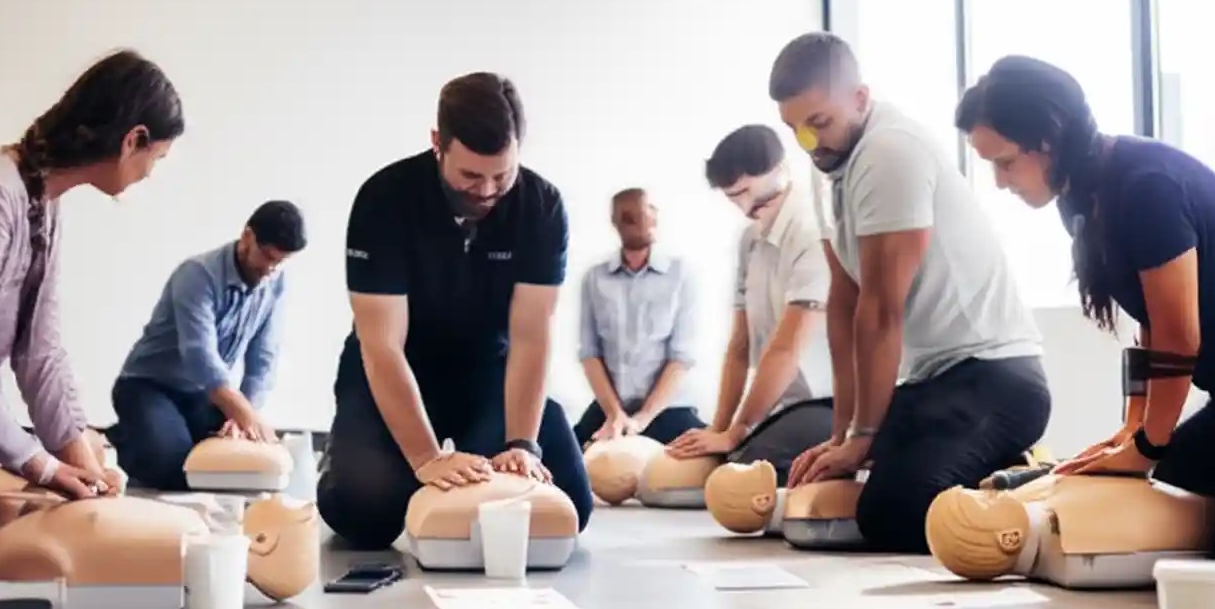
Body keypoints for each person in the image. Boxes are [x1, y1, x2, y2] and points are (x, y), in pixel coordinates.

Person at [771, 32, 1052, 553]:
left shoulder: (889, 152)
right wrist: (844, 434)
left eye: (819, 124)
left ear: (859, 99)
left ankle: (1031, 482)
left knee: (892, 512)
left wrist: (861, 440)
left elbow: (880, 312)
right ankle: (987, 468)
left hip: (997, 379)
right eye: (796, 130)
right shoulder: (828, 162)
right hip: (933, 385)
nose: (810, 143)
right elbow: (845, 301)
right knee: (804, 470)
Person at [957, 54, 1215, 559]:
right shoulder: (1082, 198)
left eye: (1005, 162)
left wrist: (1149, 443)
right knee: (1173, 480)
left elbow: (1179, 335)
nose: (1000, 182)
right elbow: (1150, 325)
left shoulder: (1144, 186)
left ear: (1049, 139)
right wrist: (1133, 430)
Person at [317, 72, 592, 549]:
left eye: (501, 176)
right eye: (470, 176)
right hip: (397, 363)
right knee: (365, 514)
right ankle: (346, 461)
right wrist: (426, 458)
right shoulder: (384, 199)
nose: (486, 191)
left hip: (487, 370)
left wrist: (521, 444)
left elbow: (531, 335)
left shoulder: (541, 207)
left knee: (564, 505)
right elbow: (381, 345)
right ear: (436, 144)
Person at [0, 49, 183, 499]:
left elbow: (39, 350)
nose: (150, 174)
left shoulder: (43, 199)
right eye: (156, 157)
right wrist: (43, 466)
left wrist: (83, 461)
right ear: (132, 140)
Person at [665, 125, 836, 485]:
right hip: (778, 407)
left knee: (738, 474)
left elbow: (786, 349)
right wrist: (719, 427)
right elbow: (740, 347)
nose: (744, 207)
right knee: (720, 462)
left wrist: (737, 431)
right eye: (732, 197)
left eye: (746, 191)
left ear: (779, 169)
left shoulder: (812, 231)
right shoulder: (750, 241)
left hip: (827, 403)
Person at [107, 201, 306, 490]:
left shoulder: (275, 282)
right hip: (147, 386)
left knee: (225, 463)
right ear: (247, 236)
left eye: (280, 262)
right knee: (174, 466)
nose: (270, 269)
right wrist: (242, 413)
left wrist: (244, 413)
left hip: (202, 396)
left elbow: (264, 358)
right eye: (267, 256)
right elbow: (199, 355)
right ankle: (117, 439)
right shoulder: (197, 274)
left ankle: (158, 433)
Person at [571, 188, 707, 446]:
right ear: (616, 222)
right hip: (612, 408)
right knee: (563, 462)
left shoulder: (682, 275)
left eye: (647, 212)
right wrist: (614, 414)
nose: (641, 221)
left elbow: (681, 357)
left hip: (669, 408)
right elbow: (589, 353)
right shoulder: (595, 279)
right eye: (629, 216)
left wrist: (642, 420)